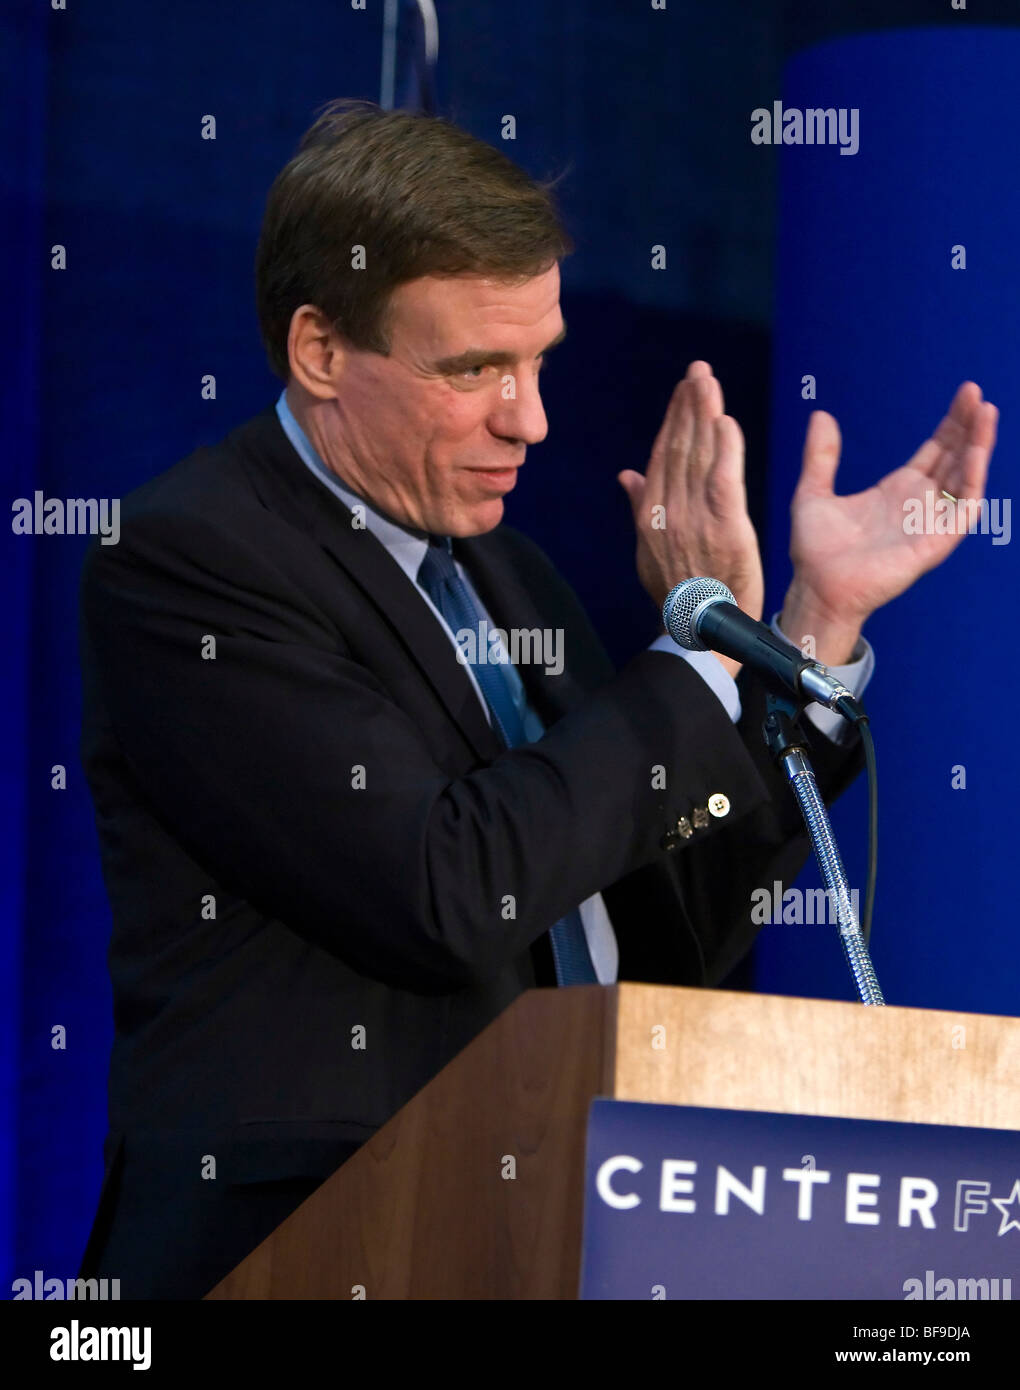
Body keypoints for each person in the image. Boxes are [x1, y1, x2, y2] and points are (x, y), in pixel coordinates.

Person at [75, 99, 997, 1299]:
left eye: (541, 360)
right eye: (476, 369)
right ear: (319, 351)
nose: (532, 419)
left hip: (569, 1232)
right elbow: (442, 890)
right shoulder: (192, 558)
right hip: (305, 1250)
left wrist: (807, 628)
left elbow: (671, 926)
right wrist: (698, 661)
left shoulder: (511, 575)